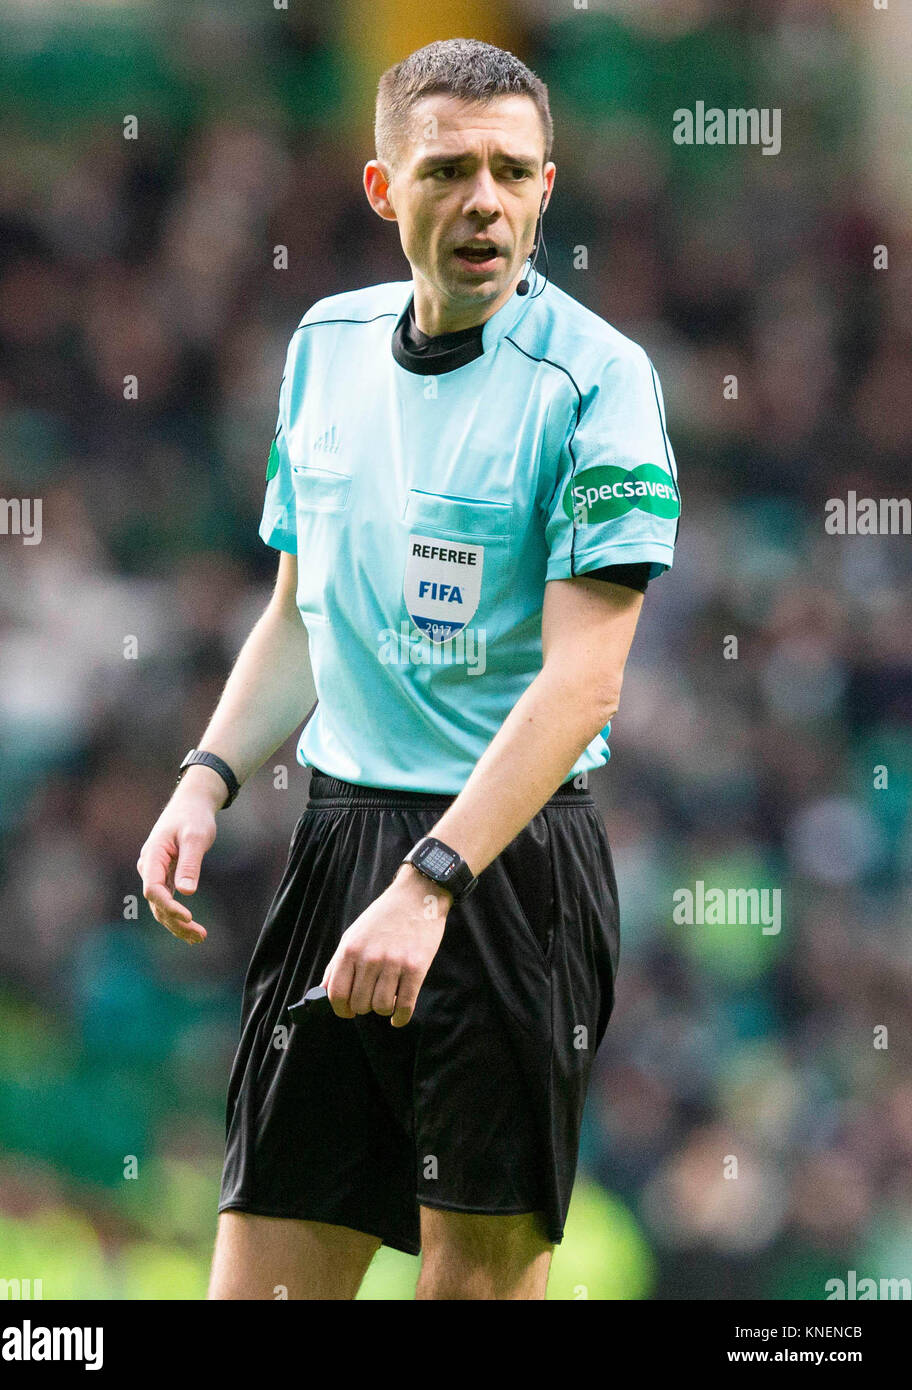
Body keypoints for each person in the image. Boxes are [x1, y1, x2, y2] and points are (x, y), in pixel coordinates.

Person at [137, 37, 680, 1301]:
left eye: (512, 171)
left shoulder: (600, 383)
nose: (483, 199)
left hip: (504, 873)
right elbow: (297, 614)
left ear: (548, 188)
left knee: (471, 1291)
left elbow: (583, 686)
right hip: (337, 847)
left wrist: (433, 880)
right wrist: (207, 779)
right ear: (385, 190)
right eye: (448, 170)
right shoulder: (323, 346)